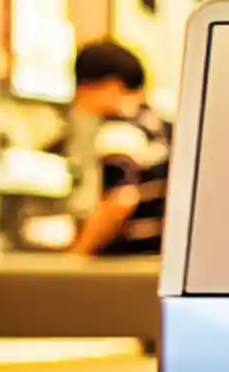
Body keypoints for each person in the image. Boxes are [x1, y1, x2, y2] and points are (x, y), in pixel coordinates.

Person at [68, 41, 170, 256]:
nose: (78, 97)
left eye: (83, 86)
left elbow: (120, 199)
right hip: (160, 254)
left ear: (111, 84)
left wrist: (78, 254)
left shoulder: (118, 130)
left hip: (130, 254)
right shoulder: (159, 125)